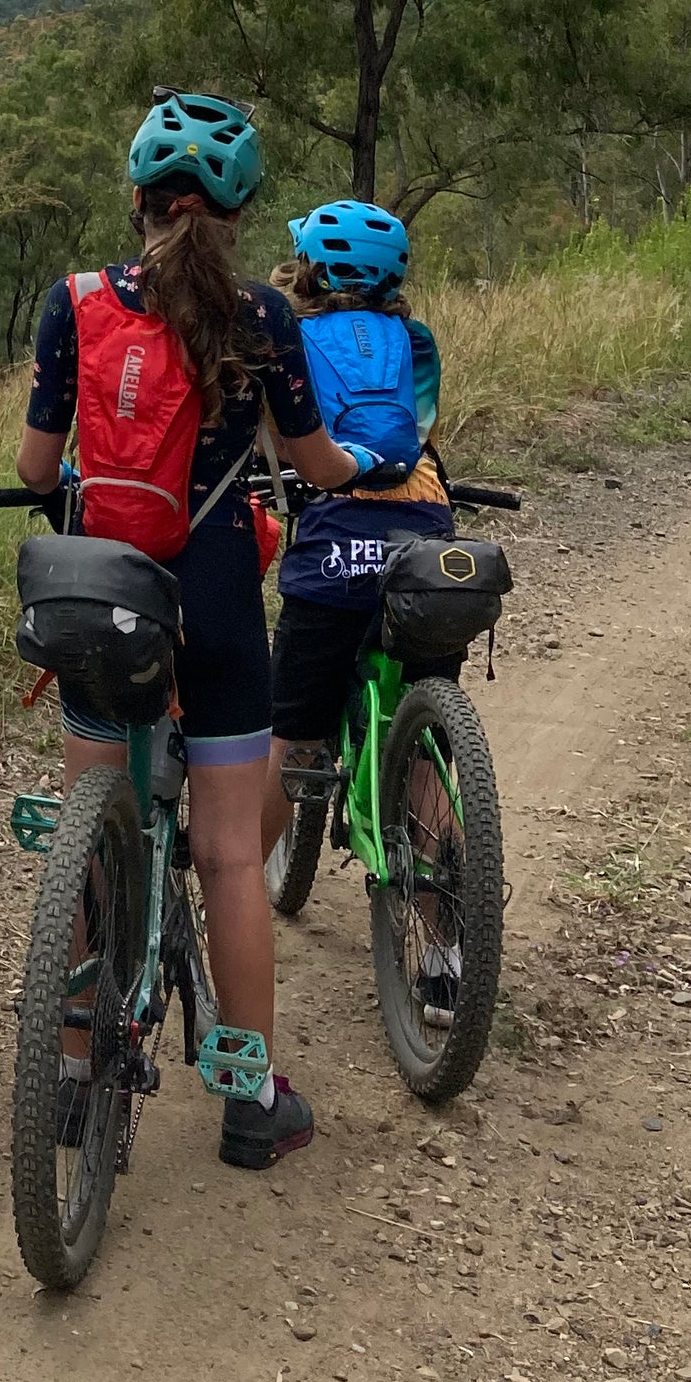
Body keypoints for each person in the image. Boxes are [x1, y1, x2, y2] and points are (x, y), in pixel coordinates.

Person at [10, 95, 369, 1169]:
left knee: (91, 819)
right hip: (211, 601)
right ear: (239, 210)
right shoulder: (266, 319)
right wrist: (357, 472)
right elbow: (311, 464)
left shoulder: (73, 304)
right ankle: (250, 1104)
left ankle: (71, 1074)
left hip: (97, 597)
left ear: (135, 198)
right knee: (222, 856)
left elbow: (34, 470)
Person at [260, 201, 464, 1015]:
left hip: (337, 540)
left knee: (292, 729)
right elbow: (417, 436)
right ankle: (446, 954)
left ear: (306, 267)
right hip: (425, 541)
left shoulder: (289, 340)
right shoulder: (415, 343)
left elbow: (284, 445)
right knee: (425, 748)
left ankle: (225, 899)